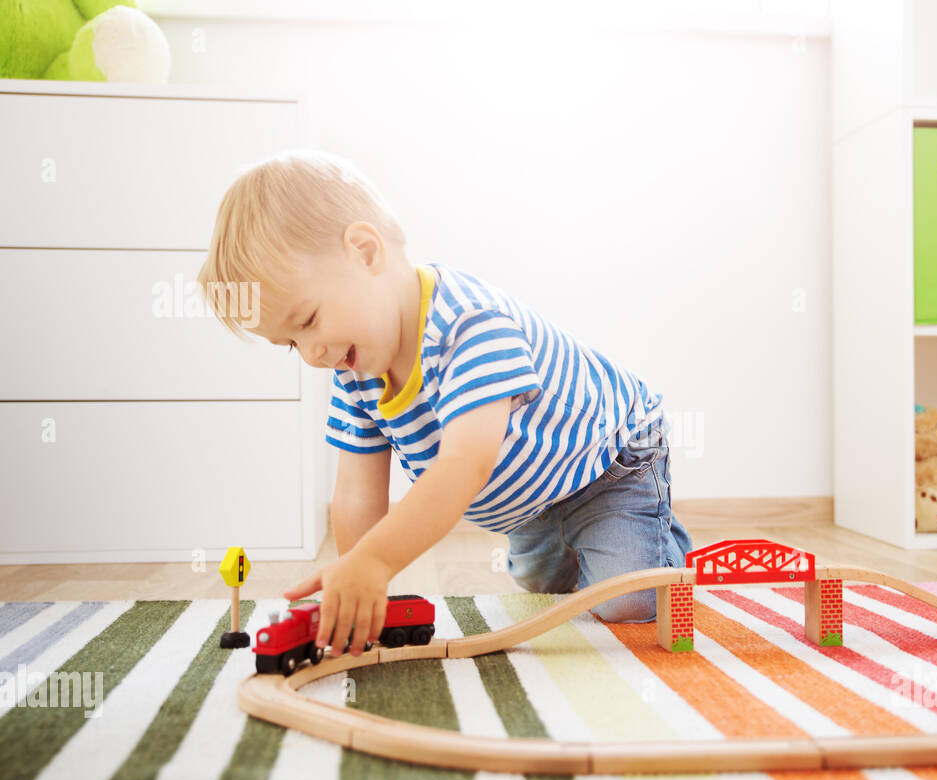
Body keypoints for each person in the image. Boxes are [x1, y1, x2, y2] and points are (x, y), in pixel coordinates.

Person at [197, 149, 692, 657]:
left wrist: (376, 561)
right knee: (546, 593)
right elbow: (355, 493)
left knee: (628, 602)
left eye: (307, 322)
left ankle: (664, 546)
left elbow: (466, 463)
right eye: (290, 345)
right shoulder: (355, 371)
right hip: (529, 501)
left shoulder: (468, 325)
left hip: (611, 461)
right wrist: (361, 578)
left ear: (364, 253)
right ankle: (596, 553)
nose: (312, 354)